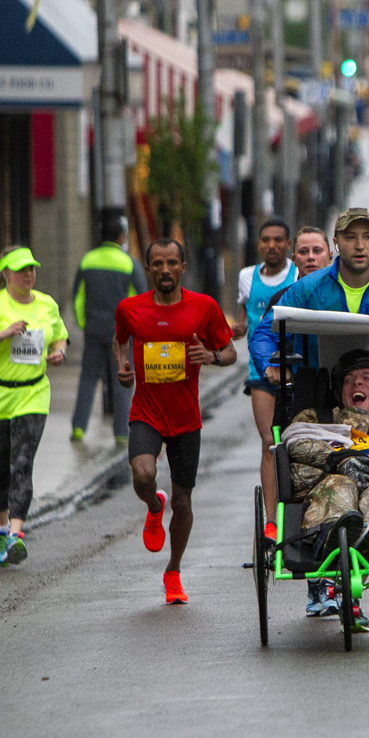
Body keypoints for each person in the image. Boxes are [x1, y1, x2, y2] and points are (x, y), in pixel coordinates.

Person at [250, 207, 369, 618]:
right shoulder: (310, 288)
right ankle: (326, 574)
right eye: (351, 237)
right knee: (333, 487)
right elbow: (264, 331)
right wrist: (269, 366)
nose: (359, 244)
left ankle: (368, 551)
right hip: (320, 395)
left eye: (366, 237)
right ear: (338, 243)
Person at [115, 239, 237, 605]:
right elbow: (120, 341)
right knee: (142, 474)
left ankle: (174, 571)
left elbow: (230, 352)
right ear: (148, 269)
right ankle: (154, 506)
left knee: (183, 502)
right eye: (157, 264)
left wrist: (212, 356)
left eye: (171, 263)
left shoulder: (204, 307)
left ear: (183, 267)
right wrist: (124, 367)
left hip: (186, 418)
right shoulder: (130, 308)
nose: (164, 270)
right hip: (146, 412)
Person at [277, 350, 369, 630]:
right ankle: (333, 538)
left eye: (367, 378)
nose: (357, 384)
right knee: (343, 483)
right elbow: (295, 443)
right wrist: (341, 460)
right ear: (340, 392)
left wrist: (367, 466)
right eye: (349, 380)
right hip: (323, 487)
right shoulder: (318, 417)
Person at [0, 246, 69, 566]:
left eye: (32, 268)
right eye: (22, 269)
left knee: (22, 463)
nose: (29, 274)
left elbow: (60, 337)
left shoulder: (47, 304)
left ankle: (16, 535)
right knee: (2, 468)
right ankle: (2, 526)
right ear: (6, 274)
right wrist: (5, 333)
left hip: (34, 393)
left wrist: (59, 352)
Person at [235, 218, 298, 530]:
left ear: (287, 245)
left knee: (297, 439)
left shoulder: (298, 275)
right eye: (266, 240)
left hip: (294, 367)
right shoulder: (247, 277)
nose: (271, 246)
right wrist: (232, 332)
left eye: (278, 240)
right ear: (258, 245)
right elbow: (243, 321)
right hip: (260, 371)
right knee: (269, 442)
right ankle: (271, 521)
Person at [70, 217, 147, 446]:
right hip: (121, 334)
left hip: (93, 329)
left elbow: (77, 297)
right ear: (121, 237)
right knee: (122, 380)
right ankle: (122, 432)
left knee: (87, 378)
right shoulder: (129, 264)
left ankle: (78, 428)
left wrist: (85, 323)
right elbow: (139, 300)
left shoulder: (87, 261)